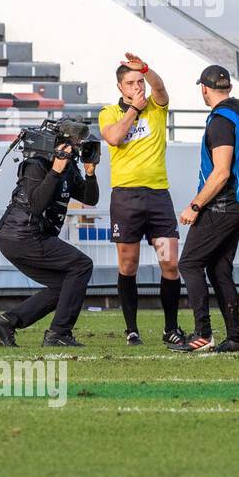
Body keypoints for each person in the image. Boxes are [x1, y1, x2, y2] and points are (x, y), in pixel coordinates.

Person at [0, 122, 100, 348]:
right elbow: (36, 205)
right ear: (64, 142)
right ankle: (59, 333)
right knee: (81, 265)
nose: (80, 147)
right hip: (21, 236)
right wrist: (56, 170)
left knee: (65, 285)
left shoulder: (68, 167)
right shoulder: (36, 164)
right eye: (78, 142)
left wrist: (90, 173)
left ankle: (6, 322)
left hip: (26, 237)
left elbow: (90, 199)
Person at [96, 53, 181, 347]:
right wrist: (132, 109)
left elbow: (161, 89)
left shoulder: (156, 107)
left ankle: (171, 327)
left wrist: (146, 68)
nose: (138, 86)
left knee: (169, 262)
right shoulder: (109, 112)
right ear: (121, 87)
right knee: (128, 264)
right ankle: (131, 329)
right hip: (126, 196)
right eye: (131, 83)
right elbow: (115, 138)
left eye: (139, 81)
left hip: (158, 195)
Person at [172, 65, 239, 354]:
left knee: (189, 263)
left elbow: (221, 172)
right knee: (219, 268)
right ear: (229, 88)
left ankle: (203, 333)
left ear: (204, 89)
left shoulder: (220, 120)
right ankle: (235, 338)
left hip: (223, 204)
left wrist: (195, 205)